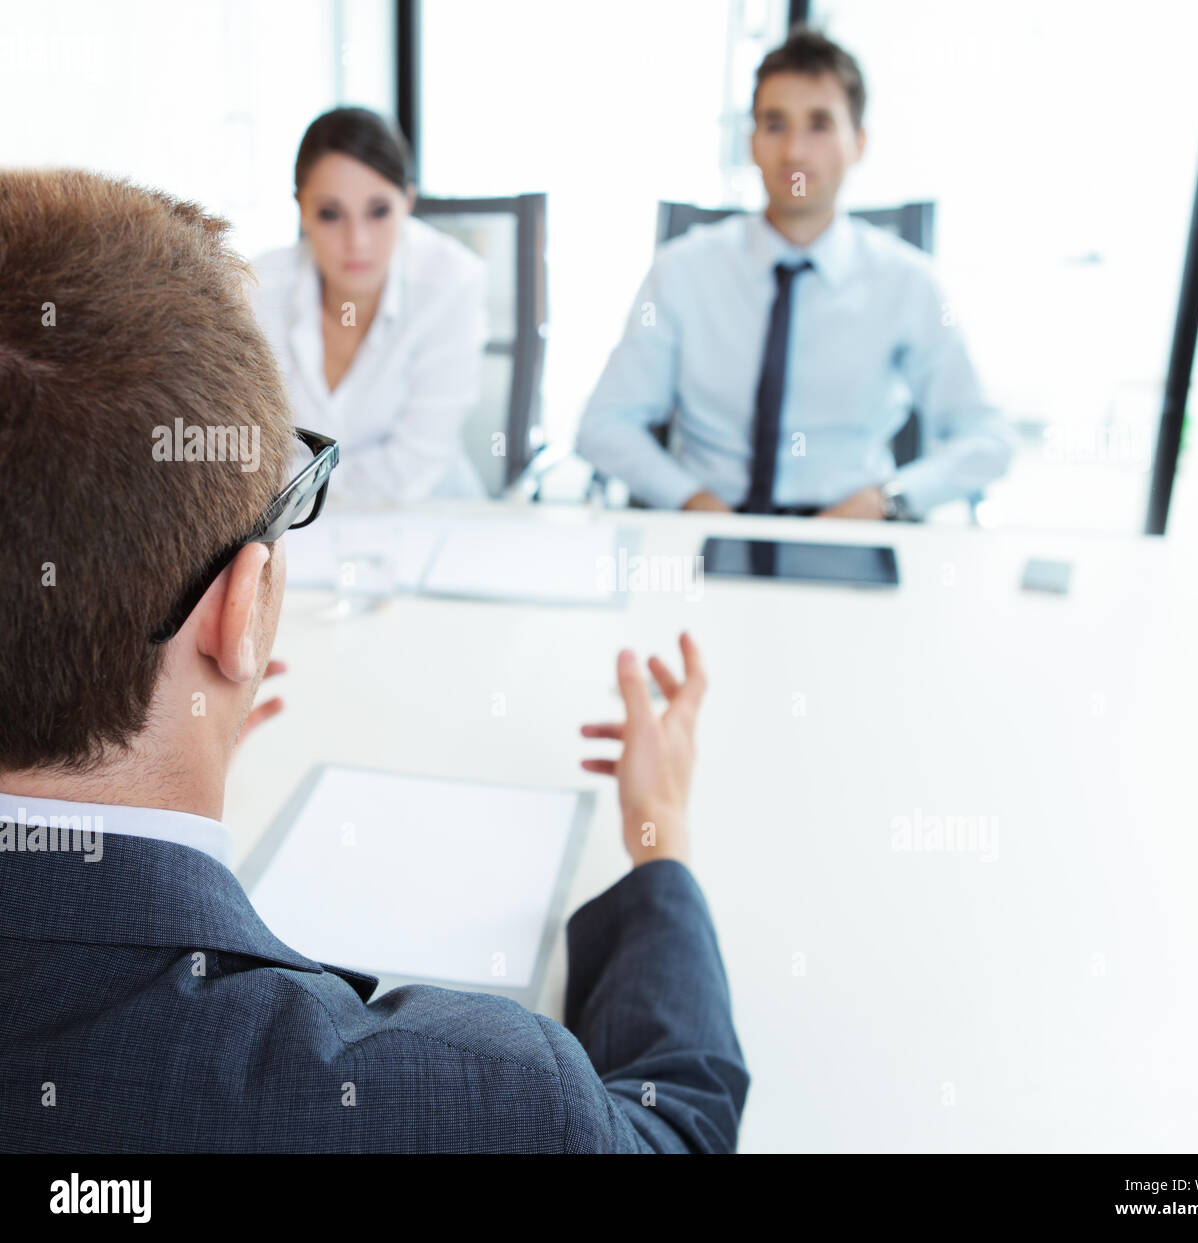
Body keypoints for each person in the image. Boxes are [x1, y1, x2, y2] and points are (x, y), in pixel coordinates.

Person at [0, 168, 747, 1154]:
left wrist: (157, 767)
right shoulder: (477, 1103)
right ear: (243, 610)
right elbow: (679, 1128)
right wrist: (661, 842)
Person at [577, 28, 1015, 519]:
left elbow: (989, 439)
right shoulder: (681, 272)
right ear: (752, 141)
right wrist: (691, 500)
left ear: (860, 142)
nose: (795, 154)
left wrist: (886, 500)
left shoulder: (908, 282)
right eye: (775, 124)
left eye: (820, 125)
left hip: (851, 531)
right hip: (709, 524)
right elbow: (605, 425)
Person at [251, 106, 488, 503]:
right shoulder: (258, 287)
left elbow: (413, 465)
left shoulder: (451, 282)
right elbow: (244, 450)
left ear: (407, 201)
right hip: (296, 533)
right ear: (301, 208)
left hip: (427, 518)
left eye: (378, 212)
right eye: (330, 214)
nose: (357, 240)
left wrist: (288, 489)